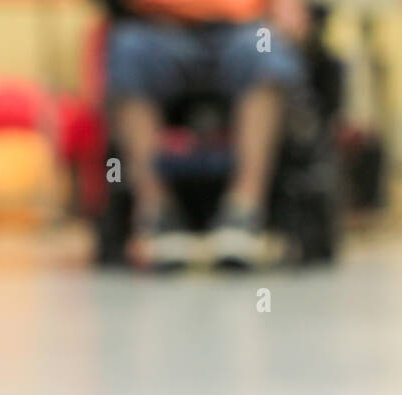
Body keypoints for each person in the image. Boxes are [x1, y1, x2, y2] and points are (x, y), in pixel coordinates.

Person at [106, 0, 310, 268]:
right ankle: (156, 212)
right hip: (156, 28)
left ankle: (244, 211)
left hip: (244, 30)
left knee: (269, 51)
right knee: (126, 50)